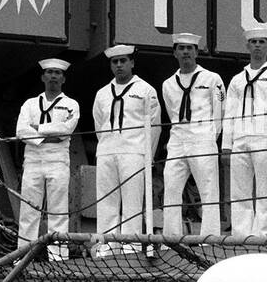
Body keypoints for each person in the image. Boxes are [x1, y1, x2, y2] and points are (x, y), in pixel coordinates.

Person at [91, 44, 161, 254]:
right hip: (106, 151)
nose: (119, 65)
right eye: (115, 61)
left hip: (134, 151)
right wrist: (108, 145)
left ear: (132, 63)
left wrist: (147, 154)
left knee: (132, 202)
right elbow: (99, 124)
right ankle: (106, 249)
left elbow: (155, 126)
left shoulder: (146, 90)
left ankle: (131, 248)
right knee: (106, 202)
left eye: (123, 61)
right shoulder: (102, 93)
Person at [222, 27, 267, 238]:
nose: (258, 45)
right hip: (240, 138)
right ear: (247, 46)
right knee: (239, 191)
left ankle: (262, 235)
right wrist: (226, 144)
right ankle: (242, 234)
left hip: (264, 137)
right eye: (254, 42)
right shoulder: (237, 79)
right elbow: (229, 113)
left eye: (262, 42)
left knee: (265, 191)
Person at [160, 33, 224, 237]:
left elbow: (219, 111)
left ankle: (210, 237)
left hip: (203, 137)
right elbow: (171, 111)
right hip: (178, 139)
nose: (185, 52)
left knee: (208, 189)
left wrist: (209, 136)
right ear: (174, 53)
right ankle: (172, 236)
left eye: (189, 48)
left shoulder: (212, 78)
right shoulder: (168, 83)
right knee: (171, 188)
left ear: (197, 51)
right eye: (181, 48)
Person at [15, 58, 80, 255]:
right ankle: (23, 257)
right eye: (50, 72)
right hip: (33, 161)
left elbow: (65, 131)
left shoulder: (71, 104)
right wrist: (47, 138)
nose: (53, 76)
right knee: (29, 211)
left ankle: (58, 259)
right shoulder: (30, 104)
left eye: (57, 73)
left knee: (58, 211)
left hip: (57, 161)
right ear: (43, 77)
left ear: (63, 79)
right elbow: (21, 131)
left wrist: (38, 128)